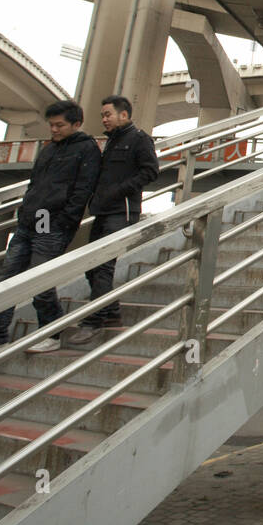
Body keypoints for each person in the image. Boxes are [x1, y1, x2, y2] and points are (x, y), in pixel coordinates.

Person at [0, 101, 101, 363]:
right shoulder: (48, 149)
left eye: (60, 125)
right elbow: (35, 184)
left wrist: (64, 220)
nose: (54, 129)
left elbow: (83, 190)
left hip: (53, 222)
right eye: (52, 125)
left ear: (76, 124)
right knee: (6, 279)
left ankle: (52, 332)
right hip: (28, 221)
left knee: (39, 281)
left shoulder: (86, 149)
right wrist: (24, 213)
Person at [68, 95, 159, 345]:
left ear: (124, 115)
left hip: (123, 212)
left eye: (108, 114)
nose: (104, 119)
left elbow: (151, 171)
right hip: (103, 210)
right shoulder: (110, 143)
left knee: (103, 265)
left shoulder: (139, 139)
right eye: (102, 115)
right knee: (91, 266)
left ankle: (93, 322)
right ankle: (111, 313)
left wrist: (120, 190)